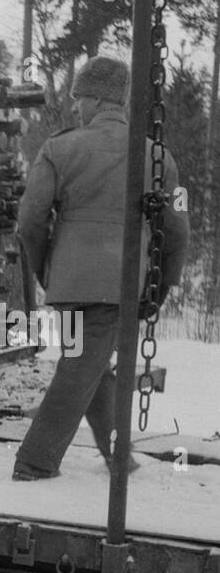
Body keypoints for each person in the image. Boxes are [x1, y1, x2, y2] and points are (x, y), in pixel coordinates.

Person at [13, 56, 189, 481]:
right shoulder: (160, 157)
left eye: (78, 99)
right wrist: (162, 287)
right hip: (121, 283)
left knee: (85, 362)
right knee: (82, 364)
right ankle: (35, 463)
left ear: (96, 99)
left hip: (71, 284)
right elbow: (178, 228)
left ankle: (116, 455)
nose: (74, 108)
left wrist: (46, 272)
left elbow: (29, 222)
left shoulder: (57, 148)